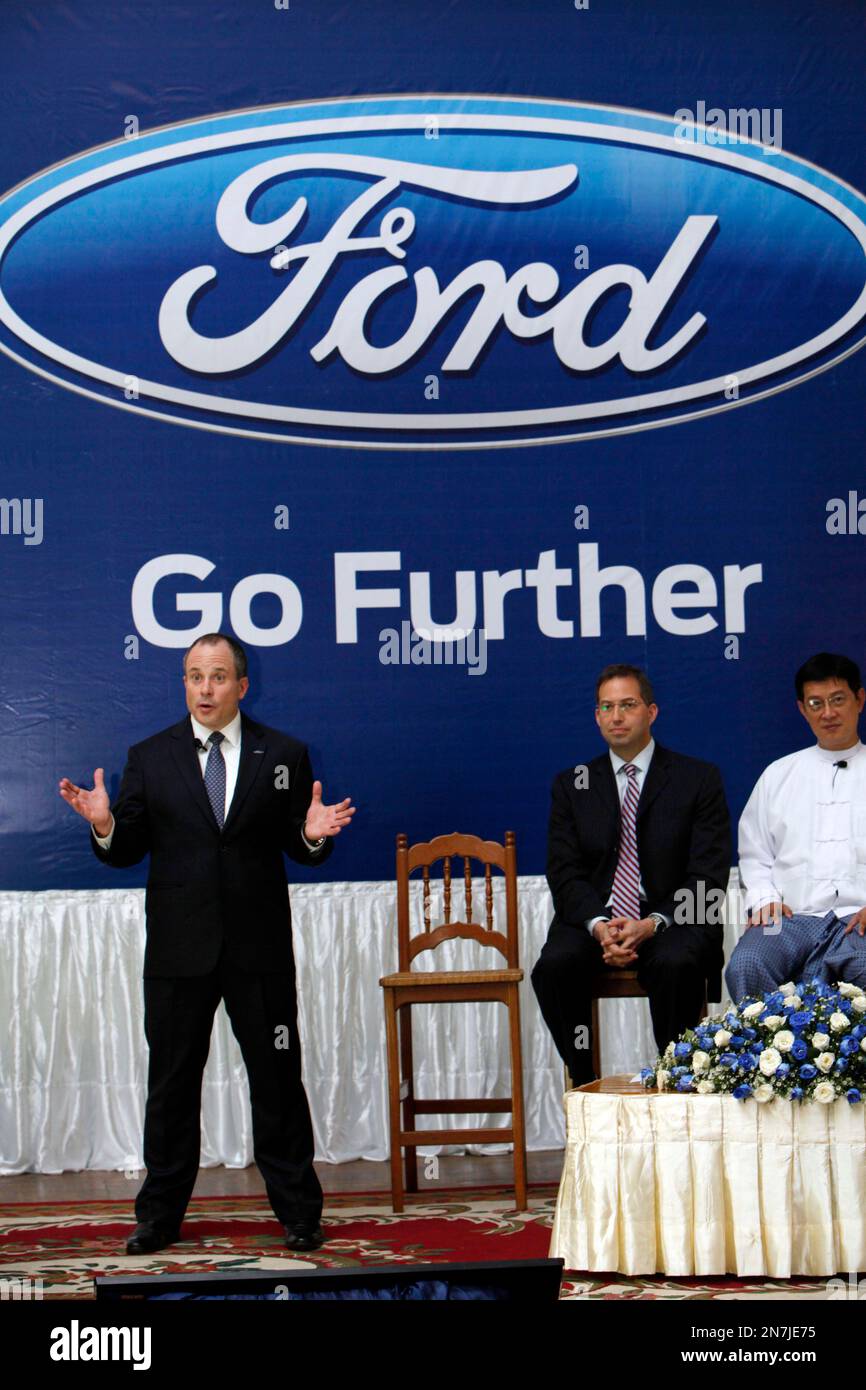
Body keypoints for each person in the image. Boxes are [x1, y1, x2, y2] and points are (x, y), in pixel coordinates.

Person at [59, 632, 355, 1255]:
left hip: (259, 950)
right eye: (195, 676)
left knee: (277, 1081)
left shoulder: (286, 754)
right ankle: (159, 1217)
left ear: (242, 686)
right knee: (170, 1086)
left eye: (218, 677)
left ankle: (300, 1213)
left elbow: (302, 847)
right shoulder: (150, 756)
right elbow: (129, 849)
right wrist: (107, 824)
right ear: (184, 683)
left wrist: (313, 834)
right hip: (178, 953)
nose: (205, 688)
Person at [531, 663, 731, 1085]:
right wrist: (601, 925)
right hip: (597, 917)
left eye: (628, 705)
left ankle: (676, 1079)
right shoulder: (573, 784)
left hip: (674, 917)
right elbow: (564, 872)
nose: (617, 716)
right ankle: (586, 1083)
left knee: (677, 961)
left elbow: (708, 875)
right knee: (554, 966)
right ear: (596, 716)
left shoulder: (697, 778)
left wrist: (652, 923)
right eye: (607, 707)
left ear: (651, 712)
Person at [725, 652, 866, 1003]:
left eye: (837, 700)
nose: (828, 713)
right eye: (816, 703)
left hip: (860, 918)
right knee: (746, 963)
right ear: (802, 709)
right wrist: (765, 899)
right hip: (792, 918)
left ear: (859, 700)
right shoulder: (779, 775)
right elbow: (754, 852)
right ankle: (766, 1057)